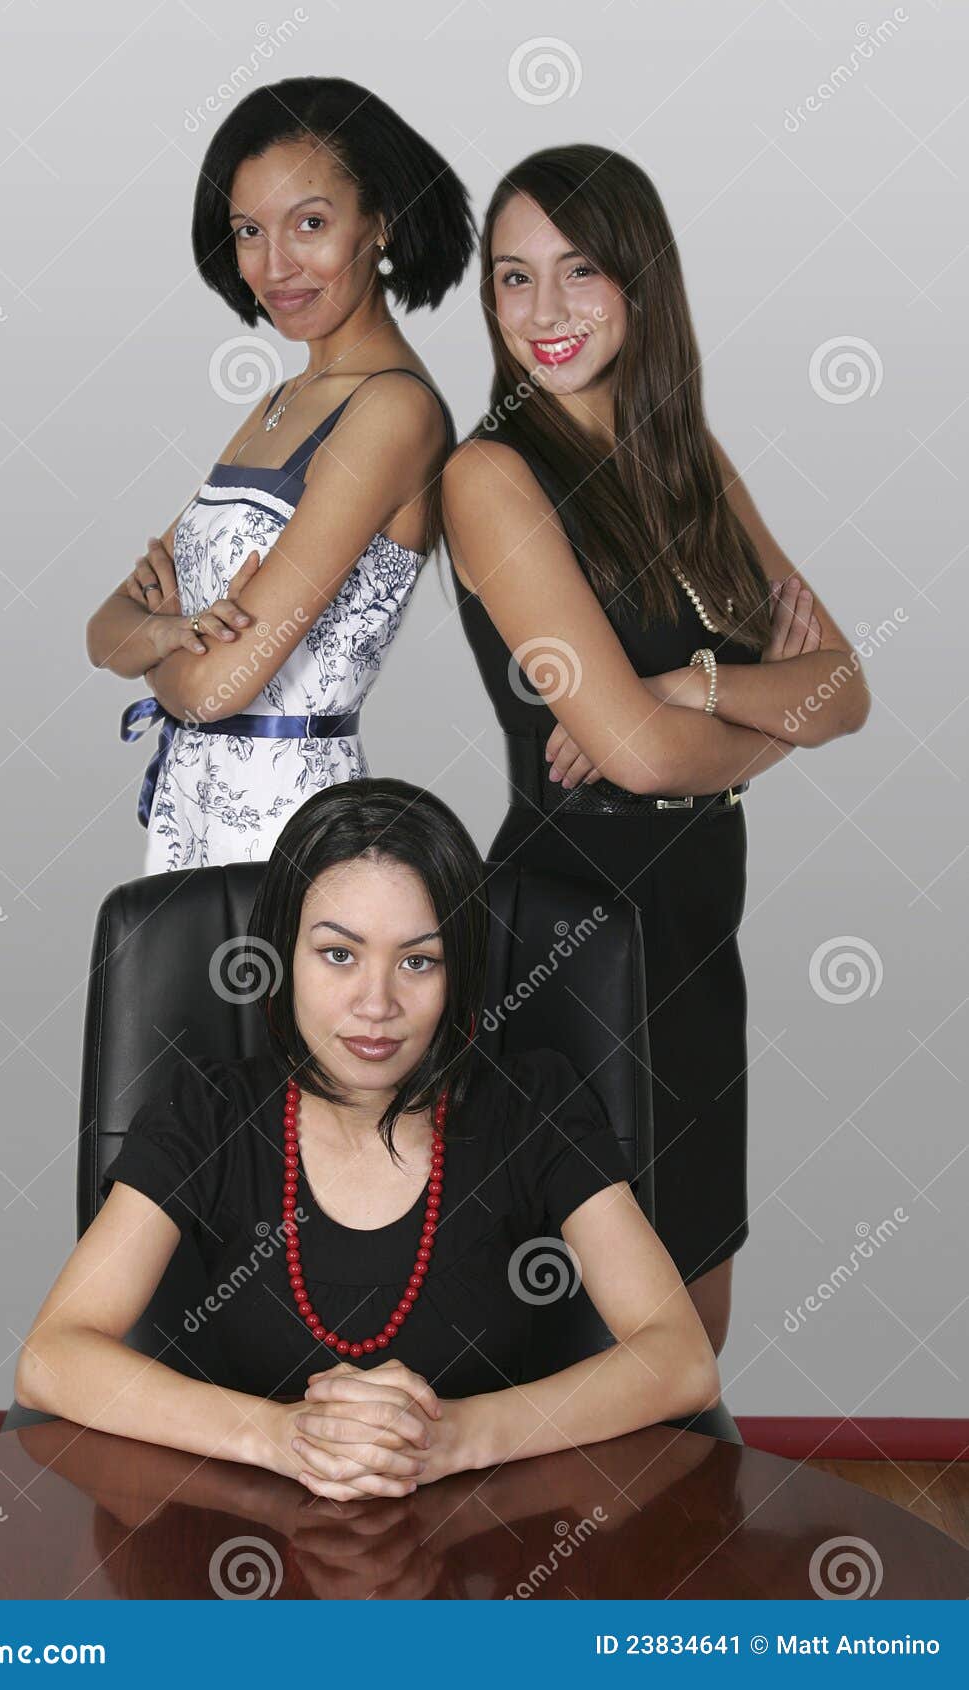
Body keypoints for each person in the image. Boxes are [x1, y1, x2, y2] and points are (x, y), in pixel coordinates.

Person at [441, 145, 871, 1360]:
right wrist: (741, 720)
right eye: (511, 276)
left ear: (640, 280)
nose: (544, 309)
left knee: (694, 1326)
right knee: (581, 1336)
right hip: (568, 931)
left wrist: (692, 691)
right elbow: (633, 759)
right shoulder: (490, 473)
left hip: (693, 931)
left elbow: (844, 687)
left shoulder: (688, 459)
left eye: (579, 270)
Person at [14, 779, 721, 1500]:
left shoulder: (531, 1106)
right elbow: (51, 1357)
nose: (377, 1004)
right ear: (281, 957)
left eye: (418, 961)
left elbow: (680, 1358)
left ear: (460, 972)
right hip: (243, 1529)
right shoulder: (208, 1112)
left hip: (487, 1531)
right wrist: (282, 1437)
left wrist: (458, 1437)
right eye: (338, 954)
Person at [85, 77, 472, 872]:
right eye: (248, 231)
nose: (275, 265)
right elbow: (101, 630)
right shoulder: (277, 402)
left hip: (289, 827)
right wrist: (168, 637)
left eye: (310, 223)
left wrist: (158, 636)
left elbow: (214, 690)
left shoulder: (392, 411)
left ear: (381, 221)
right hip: (190, 812)